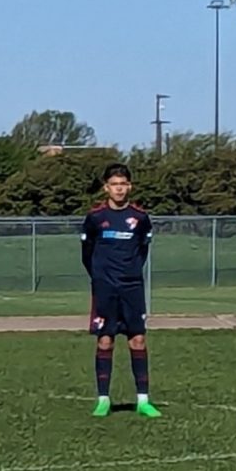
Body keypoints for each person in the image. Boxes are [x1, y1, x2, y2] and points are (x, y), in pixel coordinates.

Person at [82, 163, 155, 417]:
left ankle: (143, 400)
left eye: (123, 184)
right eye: (114, 184)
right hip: (105, 287)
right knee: (105, 339)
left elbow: (142, 251)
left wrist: (130, 272)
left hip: (132, 287)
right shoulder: (95, 218)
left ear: (130, 186)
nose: (119, 188)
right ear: (106, 187)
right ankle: (103, 399)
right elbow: (87, 254)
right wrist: (101, 276)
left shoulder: (141, 218)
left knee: (138, 339)